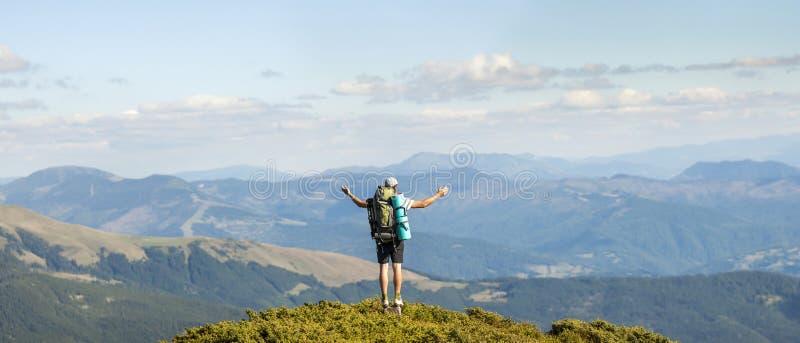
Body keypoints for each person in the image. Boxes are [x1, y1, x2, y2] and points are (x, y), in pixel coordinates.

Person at [341, 177, 449, 309]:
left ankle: (384, 299)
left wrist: (349, 194)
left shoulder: (376, 200)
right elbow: (423, 204)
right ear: (395, 187)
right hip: (396, 237)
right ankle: (397, 298)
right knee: (397, 267)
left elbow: (360, 204)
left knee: (383, 268)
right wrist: (439, 194)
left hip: (381, 237)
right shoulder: (400, 200)